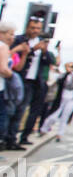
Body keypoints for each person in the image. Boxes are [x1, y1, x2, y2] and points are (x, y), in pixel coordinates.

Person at [13, 16, 58, 144]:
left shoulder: (42, 42)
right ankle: (11, 138)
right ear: (27, 27)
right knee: (19, 109)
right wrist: (33, 49)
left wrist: (44, 52)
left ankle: (24, 137)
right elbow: (14, 57)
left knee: (35, 111)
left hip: (38, 82)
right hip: (23, 79)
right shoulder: (19, 40)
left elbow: (50, 62)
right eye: (33, 28)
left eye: (38, 28)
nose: (35, 30)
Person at [41, 62, 73, 141]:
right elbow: (58, 81)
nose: (71, 68)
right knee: (53, 116)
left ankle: (60, 134)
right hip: (61, 99)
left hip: (71, 99)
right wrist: (67, 73)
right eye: (70, 67)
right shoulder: (63, 76)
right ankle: (44, 129)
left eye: (72, 67)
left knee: (65, 117)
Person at [0, 22, 16, 150]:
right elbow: (3, 69)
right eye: (10, 34)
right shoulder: (3, 46)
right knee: (2, 116)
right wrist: (12, 76)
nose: (12, 37)